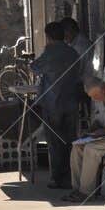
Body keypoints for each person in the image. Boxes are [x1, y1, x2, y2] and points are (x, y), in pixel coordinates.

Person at [32, 20, 82, 190]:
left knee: (54, 142)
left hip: (53, 103)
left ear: (48, 37)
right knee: (70, 140)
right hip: (71, 102)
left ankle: (56, 178)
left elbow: (35, 67)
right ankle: (70, 177)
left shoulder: (50, 52)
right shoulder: (73, 52)